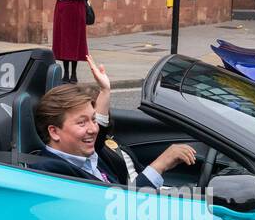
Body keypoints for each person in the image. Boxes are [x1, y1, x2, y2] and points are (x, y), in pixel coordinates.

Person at [30, 56, 195, 188]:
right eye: (82, 123)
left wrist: (105, 91)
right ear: (54, 131)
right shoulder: (54, 173)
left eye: (93, 119)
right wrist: (161, 163)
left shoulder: (84, 151)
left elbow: (100, 128)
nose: (93, 129)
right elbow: (121, 208)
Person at [50, 0, 90, 81]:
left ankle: (74, 74)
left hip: (77, 14)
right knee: (64, 44)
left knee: (75, 43)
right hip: (63, 14)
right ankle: (65, 73)